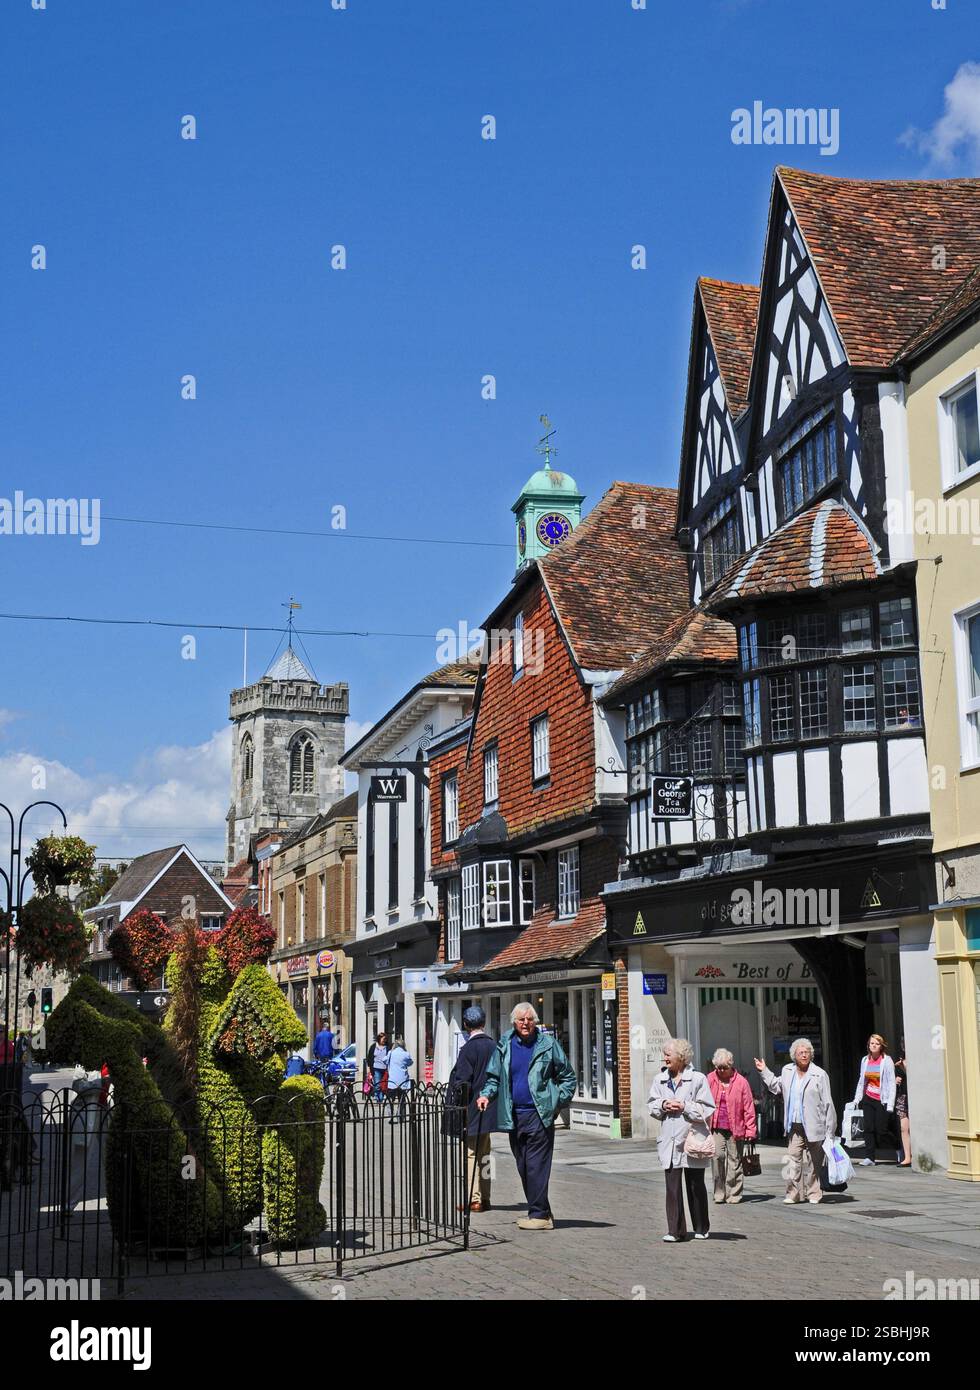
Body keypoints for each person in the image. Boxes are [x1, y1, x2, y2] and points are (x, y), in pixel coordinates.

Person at [477, 1002, 576, 1231]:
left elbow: (568, 1078)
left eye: (530, 1019)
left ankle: (539, 1215)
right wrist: (485, 1095)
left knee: (536, 1166)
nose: (526, 1023)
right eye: (521, 1019)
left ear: (535, 1022)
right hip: (513, 1115)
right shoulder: (505, 1044)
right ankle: (542, 1210)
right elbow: (494, 1077)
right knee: (523, 1165)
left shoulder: (548, 1045)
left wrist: (554, 1102)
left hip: (539, 1115)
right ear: (514, 1021)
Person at [649, 1038, 715, 1241]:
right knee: (672, 1186)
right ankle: (675, 1231)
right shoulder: (659, 1079)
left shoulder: (697, 1079)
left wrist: (684, 1106)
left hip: (692, 1139)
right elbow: (651, 1105)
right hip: (669, 1139)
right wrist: (663, 1105)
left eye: (669, 1054)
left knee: (695, 1185)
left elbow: (707, 1109)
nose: (665, 1057)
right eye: (664, 1053)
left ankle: (701, 1226)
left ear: (682, 1057)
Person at [755, 1039, 836, 1204]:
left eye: (807, 1052)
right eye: (801, 1052)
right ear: (794, 1055)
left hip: (815, 1125)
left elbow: (828, 1103)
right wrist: (764, 1071)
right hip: (794, 1125)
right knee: (792, 1160)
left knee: (815, 1161)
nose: (804, 1055)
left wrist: (830, 1131)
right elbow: (776, 1087)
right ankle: (794, 1193)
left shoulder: (819, 1074)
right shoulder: (787, 1071)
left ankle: (814, 1193)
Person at [447, 1005, 498, 1212]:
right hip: (489, 1107)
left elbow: (463, 1082)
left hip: (472, 1108)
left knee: (469, 1155)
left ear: (466, 1025)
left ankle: (473, 1198)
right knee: (486, 1154)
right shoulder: (494, 1046)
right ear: (483, 1023)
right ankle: (486, 1196)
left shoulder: (468, 1049)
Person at [706, 1048, 757, 1204]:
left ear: (731, 1066)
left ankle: (734, 1193)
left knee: (735, 1160)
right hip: (716, 1126)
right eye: (718, 1067)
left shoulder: (741, 1082)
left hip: (736, 1128)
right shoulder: (709, 1079)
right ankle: (719, 1192)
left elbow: (748, 1107)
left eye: (724, 1067)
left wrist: (751, 1129)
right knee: (717, 1157)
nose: (721, 1071)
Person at [853, 1033, 897, 1166]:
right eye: (872, 1043)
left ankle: (898, 1147)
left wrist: (890, 1103)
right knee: (868, 1128)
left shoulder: (886, 1060)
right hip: (868, 1098)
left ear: (881, 1046)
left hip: (881, 1100)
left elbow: (891, 1083)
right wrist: (857, 1099)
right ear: (868, 1045)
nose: (874, 1046)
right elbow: (862, 1081)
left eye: (877, 1044)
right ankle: (870, 1157)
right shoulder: (865, 1060)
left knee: (881, 1130)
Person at [386, 1038, 413, 1122]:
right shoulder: (406, 1054)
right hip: (402, 1080)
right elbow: (410, 1063)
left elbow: (384, 1060)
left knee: (390, 1099)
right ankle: (400, 1116)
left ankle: (390, 1115)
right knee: (402, 1099)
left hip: (392, 1080)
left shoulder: (391, 1053)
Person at [894, 1042, 911, 1166]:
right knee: (903, 1128)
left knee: (912, 1127)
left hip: (913, 1096)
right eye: (902, 1043)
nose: (903, 1045)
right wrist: (897, 1078)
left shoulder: (915, 1057)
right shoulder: (901, 1058)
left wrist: (904, 1067)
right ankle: (907, 1156)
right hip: (902, 1096)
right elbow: (900, 1077)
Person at [365, 1031, 389, 1101]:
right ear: (379, 1039)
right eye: (383, 1039)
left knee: (383, 1084)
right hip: (376, 1068)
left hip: (384, 1068)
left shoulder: (387, 1047)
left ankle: (381, 1097)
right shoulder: (373, 1047)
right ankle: (376, 1096)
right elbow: (369, 1058)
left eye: (385, 1039)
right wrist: (369, 1068)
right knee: (377, 1083)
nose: (384, 1040)